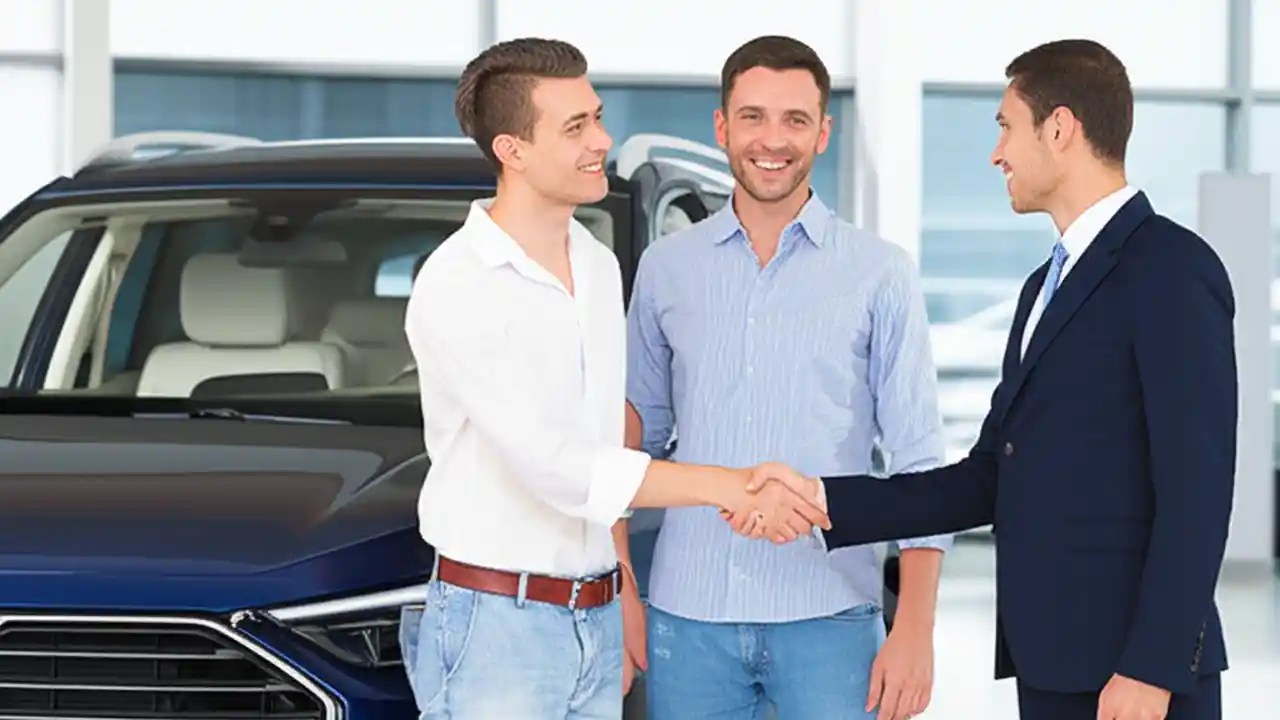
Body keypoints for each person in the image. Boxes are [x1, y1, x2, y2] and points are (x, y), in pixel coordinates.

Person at [741, 39, 1235, 720]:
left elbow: (1199, 494)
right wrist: (822, 499)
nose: (997, 152)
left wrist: (1151, 668)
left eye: (1006, 126)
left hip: (1134, 676)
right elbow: (989, 478)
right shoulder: (1043, 289)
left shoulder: (1171, 267)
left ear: (1059, 129)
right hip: (1053, 662)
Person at [399, 37, 827, 719]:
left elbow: (609, 440)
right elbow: (559, 468)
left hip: (592, 618)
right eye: (576, 127)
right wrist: (730, 484)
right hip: (499, 629)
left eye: (596, 116)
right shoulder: (459, 284)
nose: (602, 138)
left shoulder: (596, 263)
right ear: (512, 150)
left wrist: (621, 586)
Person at [626, 35, 951, 720]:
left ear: (824, 132)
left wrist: (915, 629)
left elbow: (921, 462)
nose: (772, 140)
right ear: (721, 125)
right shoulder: (665, 269)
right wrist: (627, 587)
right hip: (689, 619)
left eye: (795, 120)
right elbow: (631, 449)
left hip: (830, 618)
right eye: (752, 117)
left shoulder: (879, 272)